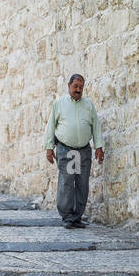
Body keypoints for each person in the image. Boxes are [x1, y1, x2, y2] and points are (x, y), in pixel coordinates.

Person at [44, 73, 104, 228]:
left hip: (83, 151)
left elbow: (96, 127)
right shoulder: (59, 104)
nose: (78, 90)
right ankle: (67, 216)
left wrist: (99, 147)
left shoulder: (88, 105)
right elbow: (50, 126)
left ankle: (77, 217)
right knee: (67, 183)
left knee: (82, 183)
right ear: (69, 86)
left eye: (81, 87)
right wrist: (49, 148)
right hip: (67, 150)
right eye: (75, 86)